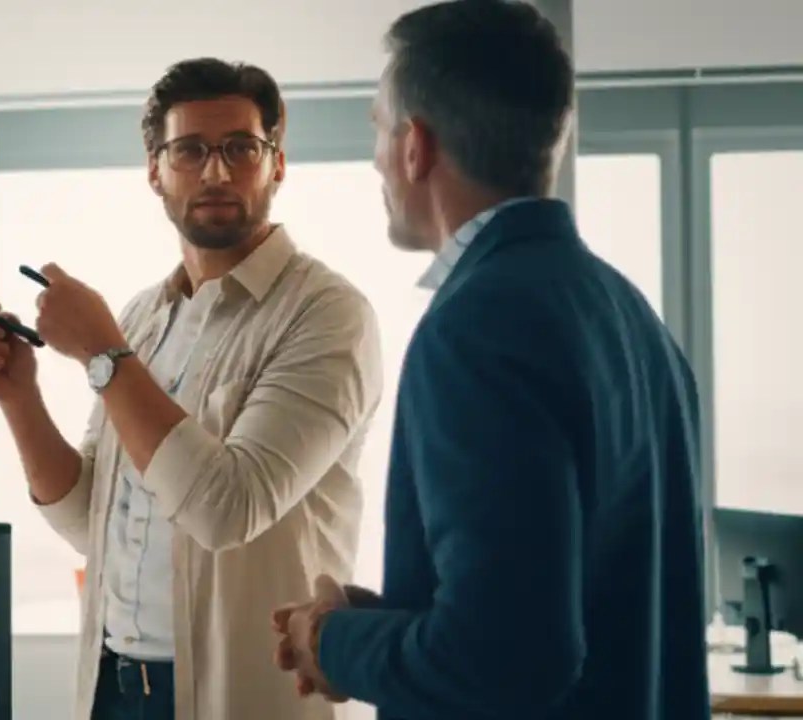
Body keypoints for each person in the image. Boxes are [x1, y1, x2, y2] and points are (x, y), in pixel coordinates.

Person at [272, 2, 710, 719]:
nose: (377, 159)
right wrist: (381, 622)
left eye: (378, 132)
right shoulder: (635, 320)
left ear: (414, 145)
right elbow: (561, 611)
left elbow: (507, 657)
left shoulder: (474, 330)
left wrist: (336, 644)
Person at [0, 57, 383, 719]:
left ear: (277, 163)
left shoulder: (327, 313)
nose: (215, 171)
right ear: (155, 170)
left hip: (237, 693)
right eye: (189, 150)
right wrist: (21, 398)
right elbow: (87, 524)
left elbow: (227, 509)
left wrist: (103, 354)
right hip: (113, 686)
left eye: (241, 148)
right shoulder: (141, 320)